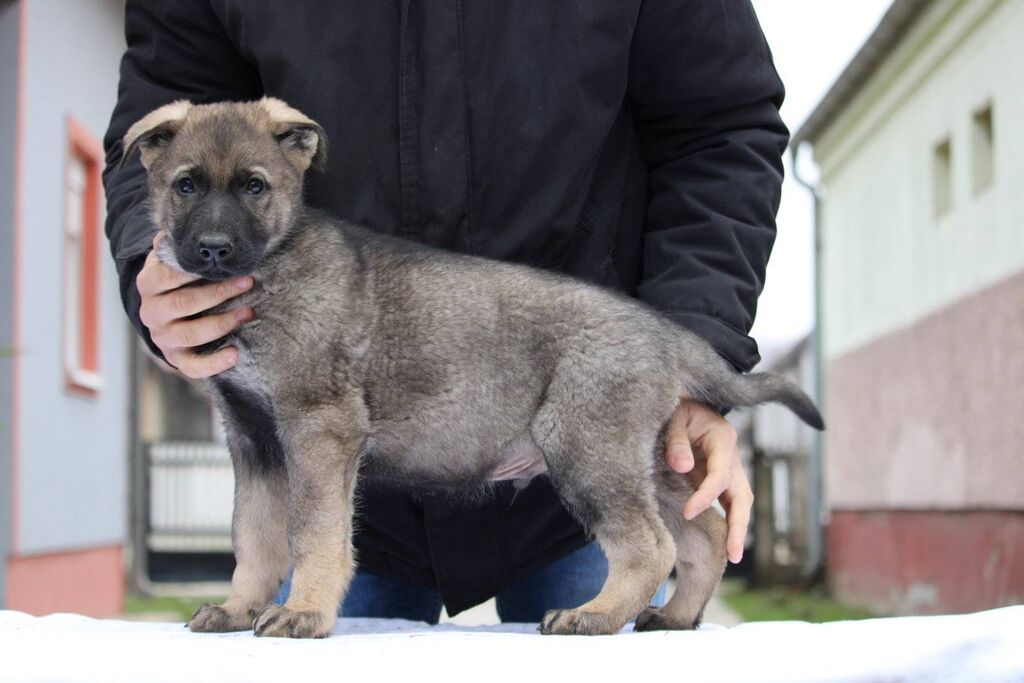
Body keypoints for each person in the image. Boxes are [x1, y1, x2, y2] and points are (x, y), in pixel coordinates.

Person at [103, 1, 785, 624]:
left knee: (611, 518)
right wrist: (152, 269)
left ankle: (652, 570)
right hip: (350, 504)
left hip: (566, 431)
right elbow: (163, 107)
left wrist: (695, 340)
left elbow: (720, 128)